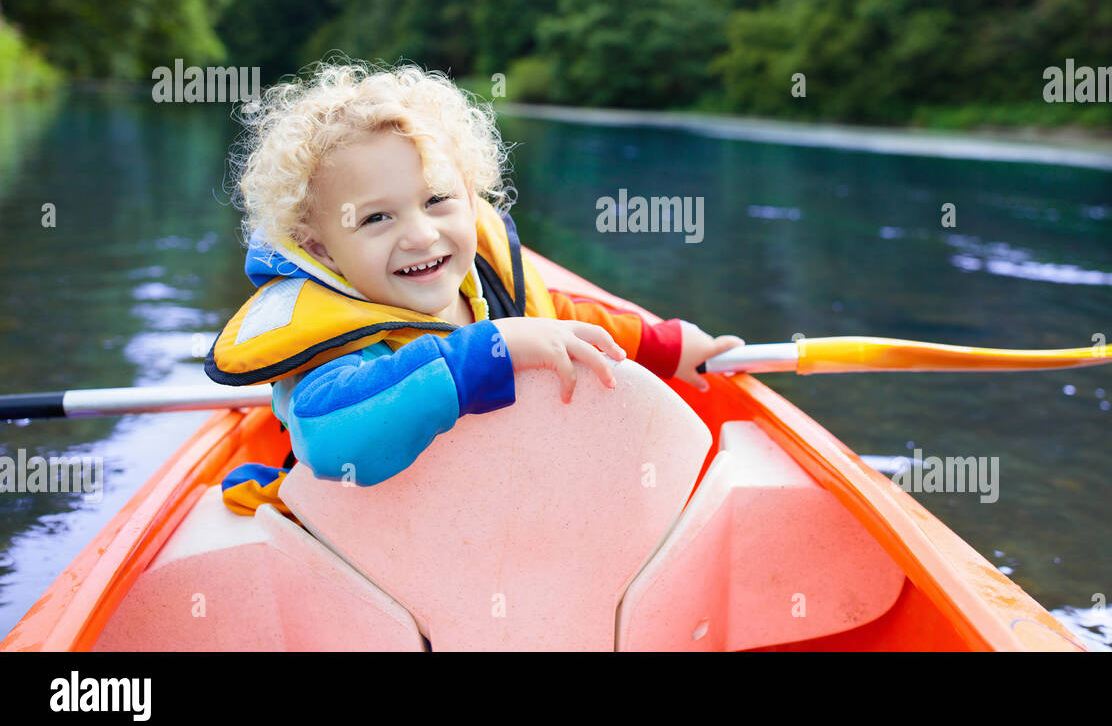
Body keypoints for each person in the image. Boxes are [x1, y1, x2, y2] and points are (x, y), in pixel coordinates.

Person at [205, 60, 742, 512]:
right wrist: (492, 352)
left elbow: (563, 317)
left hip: (494, 530)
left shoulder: (484, 278)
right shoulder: (331, 343)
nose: (420, 234)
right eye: (375, 219)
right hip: (376, 560)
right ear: (320, 249)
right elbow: (335, 440)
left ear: (471, 194)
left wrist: (664, 346)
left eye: (438, 200)